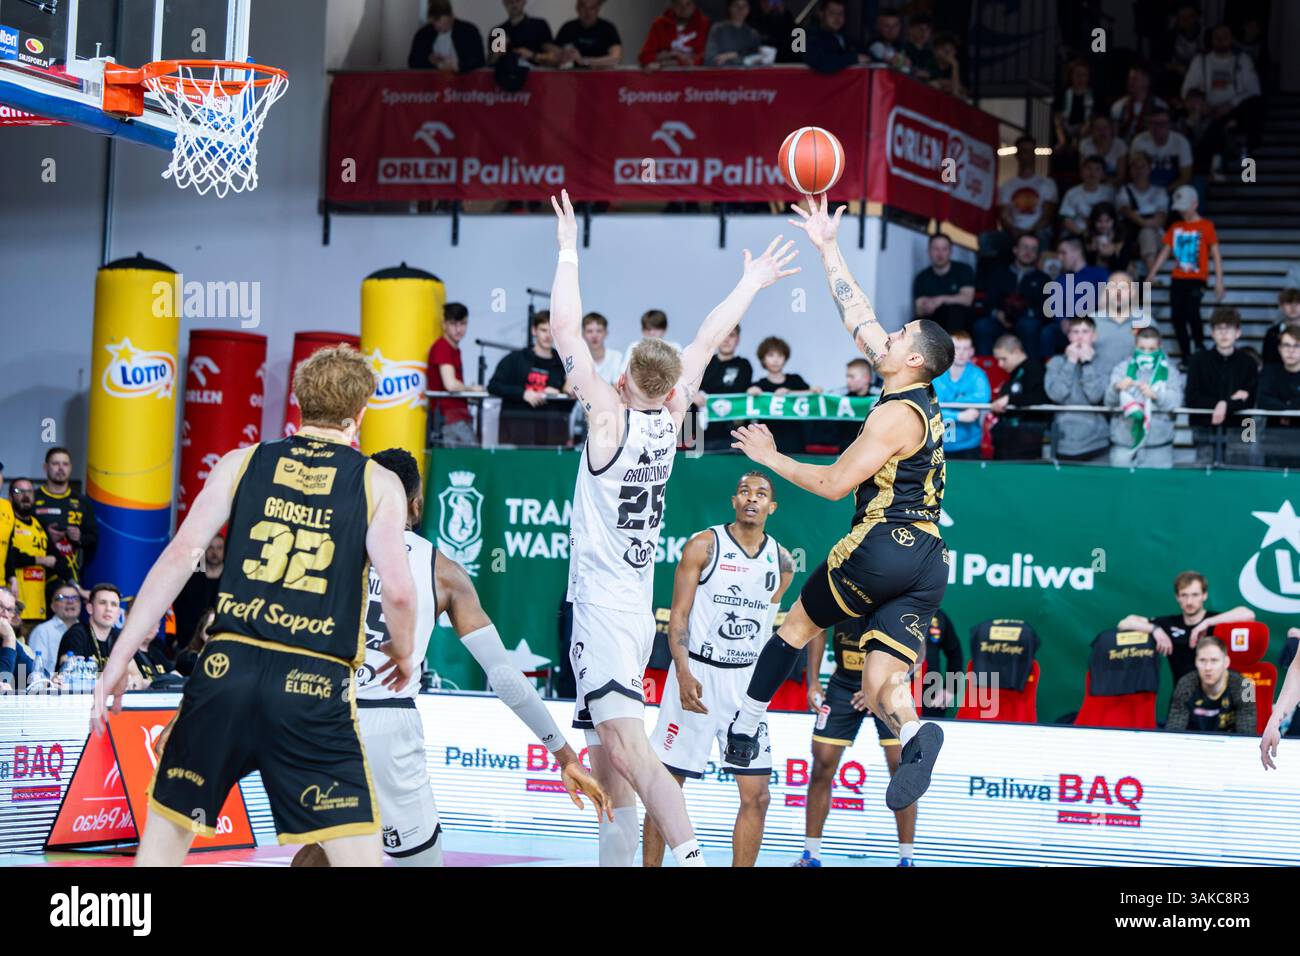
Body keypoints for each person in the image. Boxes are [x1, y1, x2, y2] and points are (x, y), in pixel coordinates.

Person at [91, 344, 419, 867]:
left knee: (163, 847)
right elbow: (399, 592)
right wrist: (403, 654)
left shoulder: (241, 462)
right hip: (312, 686)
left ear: (298, 402)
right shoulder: (377, 482)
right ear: (360, 414)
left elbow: (179, 556)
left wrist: (118, 657)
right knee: (357, 856)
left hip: (225, 672)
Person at [548, 189, 797, 867]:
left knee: (631, 753)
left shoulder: (607, 414)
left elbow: (566, 332)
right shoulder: (672, 408)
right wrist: (750, 281)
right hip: (631, 606)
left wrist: (569, 247)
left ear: (623, 376)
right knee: (607, 760)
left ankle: (688, 856)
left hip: (601, 605)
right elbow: (709, 337)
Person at [726, 194, 954, 814]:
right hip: (929, 562)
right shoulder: (917, 389)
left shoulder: (891, 417)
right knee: (884, 683)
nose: (886, 333)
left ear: (911, 359)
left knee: (795, 626)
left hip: (883, 544)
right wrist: (828, 248)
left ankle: (744, 725)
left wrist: (770, 458)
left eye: (899, 334)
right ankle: (914, 734)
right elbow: (858, 313)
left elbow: (831, 486)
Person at [293, 448, 608, 868]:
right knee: (418, 860)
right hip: (388, 723)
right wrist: (564, 754)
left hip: (319, 716)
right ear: (417, 504)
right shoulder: (443, 571)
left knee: (325, 847)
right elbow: (504, 676)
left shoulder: (320, 551)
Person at [643, 472, 793, 867]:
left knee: (758, 795)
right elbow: (678, 617)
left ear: (771, 507)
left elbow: (765, 628)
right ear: (733, 500)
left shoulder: (783, 561)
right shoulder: (703, 546)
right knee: (665, 789)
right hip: (696, 676)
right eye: (744, 491)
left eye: (761, 494)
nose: (752, 499)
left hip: (744, 686)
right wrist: (682, 672)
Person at [797, 613, 922, 868]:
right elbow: (818, 628)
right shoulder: (847, 587)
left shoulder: (896, 593)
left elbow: (917, 651)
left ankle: (906, 858)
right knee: (822, 763)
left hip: (889, 685)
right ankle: (811, 855)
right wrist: (813, 683)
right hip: (843, 684)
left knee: (902, 767)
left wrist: (874, 689)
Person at [1117, 570, 1255, 687]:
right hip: (1180, 702)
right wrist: (1155, 629)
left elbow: (1248, 614)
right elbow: (1124, 623)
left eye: (1195, 595)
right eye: (1184, 595)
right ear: (1177, 597)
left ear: (1204, 595)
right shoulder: (1168, 623)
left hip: (1218, 704)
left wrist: (1207, 623)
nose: (1189, 602)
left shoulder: (1216, 621)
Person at [1150, 186, 1225, 360]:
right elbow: (1165, 252)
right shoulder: (1176, 227)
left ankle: (1199, 345)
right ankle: (1186, 354)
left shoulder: (1206, 226)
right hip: (1178, 277)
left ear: (1195, 204)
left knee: (1192, 312)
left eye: (1185, 207)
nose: (1182, 211)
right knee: (1177, 316)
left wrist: (1219, 281)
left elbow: (1216, 254)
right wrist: (1152, 273)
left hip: (1197, 278)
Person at [1181, 23, 1263, 170]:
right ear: (1211, 39)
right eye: (1216, 37)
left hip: (1235, 111)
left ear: (1231, 38)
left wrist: (1231, 104)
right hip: (1207, 110)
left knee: (1255, 106)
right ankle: (1212, 165)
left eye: (1225, 36)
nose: (1220, 40)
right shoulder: (1201, 60)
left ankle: (1247, 169)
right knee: (1206, 126)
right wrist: (1200, 103)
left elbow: (1254, 90)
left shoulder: (1243, 60)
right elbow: (1187, 89)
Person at [488, 310, 572, 446]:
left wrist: (563, 393)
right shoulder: (515, 359)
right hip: (516, 434)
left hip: (551, 438)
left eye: (551, 331)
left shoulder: (564, 364)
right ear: (534, 331)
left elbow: (568, 405)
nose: (548, 336)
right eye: (543, 330)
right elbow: (493, 386)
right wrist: (523, 393)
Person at [1184, 308, 1256, 462]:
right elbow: (1192, 398)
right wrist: (1227, 402)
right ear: (1212, 333)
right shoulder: (1197, 361)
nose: (1224, 334)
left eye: (1229, 329)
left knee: (1238, 474)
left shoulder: (1249, 363)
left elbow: (1251, 400)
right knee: (1205, 476)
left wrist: (1225, 404)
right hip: (1204, 427)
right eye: (1219, 329)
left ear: (1238, 333)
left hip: (1241, 427)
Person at [1105, 326, 1184, 468]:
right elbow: (1108, 401)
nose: (1146, 352)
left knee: (1158, 490)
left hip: (1159, 446)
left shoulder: (1170, 372)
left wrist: (1156, 395)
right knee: (1119, 489)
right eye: (1142, 348)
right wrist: (1116, 388)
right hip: (1124, 444)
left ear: (1160, 346)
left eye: (1152, 349)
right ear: (1135, 346)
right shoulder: (1122, 369)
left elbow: (1176, 402)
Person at [33, 447, 98, 598]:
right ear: (45, 467)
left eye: (65, 464)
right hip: (35, 577)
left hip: (70, 579)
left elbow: (93, 540)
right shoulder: (33, 499)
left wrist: (78, 538)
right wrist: (46, 537)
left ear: (70, 468)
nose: (61, 468)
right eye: (55, 463)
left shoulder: (82, 502)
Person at [975, 232, 1050, 358]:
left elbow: (1046, 310)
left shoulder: (1044, 279)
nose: (1028, 252)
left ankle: (1031, 371)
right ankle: (987, 370)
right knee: (982, 326)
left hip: (1026, 322)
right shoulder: (998, 273)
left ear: (1037, 254)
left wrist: (1024, 314)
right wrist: (998, 314)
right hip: (999, 321)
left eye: (1033, 249)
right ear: (1015, 250)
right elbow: (988, 302)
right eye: (1025, 247)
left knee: (1030, 326)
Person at [1045, 316, 1109, 461]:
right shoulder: (1055, 363)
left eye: (1085, 332)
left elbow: (1095, 396)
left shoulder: (1104, 363)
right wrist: (1070, 362)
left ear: (1094, 336)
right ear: (1068, 336)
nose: (1080, 337)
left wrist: (1087, 363)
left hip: (1097, 443)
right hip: (1064, 442)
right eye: (1075, 332)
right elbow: (1056, 395)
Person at [1165, 636, 1256, 735]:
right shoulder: (1185, 684)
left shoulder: (1245, 686)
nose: (1208, 668)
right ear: (1196, 662)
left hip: (1230, 745)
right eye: (1202, 660)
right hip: (1193, 744)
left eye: (1214, 661)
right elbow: (1174, 732)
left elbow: (1246, 733)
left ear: (1226, 662)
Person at [748, 336, 817, 454]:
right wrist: (750, 393)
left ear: (785, 358)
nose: (775, 360)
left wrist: (790, 393)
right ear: (763, 359)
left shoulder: (795, 380)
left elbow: (816, 392)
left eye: (780, 355)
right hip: (768, 443)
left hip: (795, 440)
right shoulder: (759, 385)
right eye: (770, 355)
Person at [1041, 237, 1109, 358]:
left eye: (1063, 253)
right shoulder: (1061, 279)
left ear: (1077, 252)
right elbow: (1054, 306)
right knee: (1049, 332)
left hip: (1094, 323)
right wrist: (1062, 320)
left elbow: (1108, 301)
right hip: (1069, 325)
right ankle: (1049, 371)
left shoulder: (1099, 273)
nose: (1059, 258)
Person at [932, 331, 989, 460]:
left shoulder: (978, 375)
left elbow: (982, 401)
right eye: (957, 348)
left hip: (969, 445)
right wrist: (959, 415)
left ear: (972, 351)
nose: (961, 353)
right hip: (939, 445)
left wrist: (951, 404)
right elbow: (931, 408)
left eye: (966, 348)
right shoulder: (937, 375)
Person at [990, 335, 1048, 460]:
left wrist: (1009, 400)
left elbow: (1041, 398)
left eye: (1003, 359)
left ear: (1016, 352)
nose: (1000, 364)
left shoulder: (1034, 369)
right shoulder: (1015, 372)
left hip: (1026, 441)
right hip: (1012, 438)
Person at [997, 136, 1058, 255]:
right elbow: (1003, 215)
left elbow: (1047, 215)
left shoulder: (1047, 184)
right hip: (1013, 232)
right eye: (1024, 151)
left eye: (1031, 151)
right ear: (1017, 154)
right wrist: (1014, 230)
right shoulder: (1006, 186)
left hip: (1038, 231)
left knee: (1043, 234)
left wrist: (1030, 232)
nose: (1028, 156)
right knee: (987, 239)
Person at [5, 479, 54, 628]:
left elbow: (55, 558)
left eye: (29, 491)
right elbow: (9, 555)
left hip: (38, 608)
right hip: (12, 609)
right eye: (19, 492)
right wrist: (39, 560)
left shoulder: (40, 524)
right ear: (10, 496)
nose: (25, 496)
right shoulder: (6, 523)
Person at [696, 325, 753, 452]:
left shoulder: (743, 365)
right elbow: (687, 388)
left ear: (737, 339)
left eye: (731, 335)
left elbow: (740, 391)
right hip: (701, 431)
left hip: (731, 432)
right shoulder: (703, 363)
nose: (726, 340)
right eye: (723, 336)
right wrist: (693, 395)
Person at [428, 302, 476, 448]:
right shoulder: (442, 346)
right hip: (448, 419)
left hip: (454, 417)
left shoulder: (453, 348)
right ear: (444, 324)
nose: (458, 329)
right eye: (453, 323)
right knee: (466, 463)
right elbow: (450, 384)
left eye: (462, 324)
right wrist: (473, 390)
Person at [1115, 150, 1169, 278]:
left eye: (1142, 166)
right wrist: (1145, 222)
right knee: (1145, 231)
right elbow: (1125, 210)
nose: (1138, 170)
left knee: (1147, 232)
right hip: (1132, 238)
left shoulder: (1159, 191)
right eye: (1134, 166)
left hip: (1156, 238)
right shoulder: (1124, 190)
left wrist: (1146, 223)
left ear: (1150, 168)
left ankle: (1151, 273)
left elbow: (1160, 219)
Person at [170, 534, 224, 654]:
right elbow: (178, 608)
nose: (214, 552)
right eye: (210, 547)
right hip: (187, 643)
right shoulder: (190, 578)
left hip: (220, 644)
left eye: (219, 548)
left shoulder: (230, 581)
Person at [913, 233, 976, 335]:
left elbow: (967, 299)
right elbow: (919, 308)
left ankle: (951, 349)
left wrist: (941, 300)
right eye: (936, 249)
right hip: (933, 319)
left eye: (944, 249)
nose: (940, 253)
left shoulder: (963, 270)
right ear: (929, 251)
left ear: (951, 251)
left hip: (959, 320)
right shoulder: (922, 277)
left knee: (955, 312)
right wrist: (929, 306)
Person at [1257, 323, 1300, 467]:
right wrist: (1289, 410)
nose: (1291, 351)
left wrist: (1283, 410)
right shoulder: (1269, 372)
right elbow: (1262, 399)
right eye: (1286, 345)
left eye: (1296, 346)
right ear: (1279, 349)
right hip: (1274, 442)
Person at [408, 0, 485, 73]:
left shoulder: (469, 31)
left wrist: (459, 66)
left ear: (451, 16)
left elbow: (479, 60)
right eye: (434, 22)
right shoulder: (423, 34)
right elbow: (413, 62)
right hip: (432, 83)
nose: (438, 26)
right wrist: (429, 60)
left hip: (464, 82)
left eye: (442, 22)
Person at [1129, 107, 1193, 192]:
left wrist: (1164, 191)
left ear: (1170, 124)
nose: (1159, 127)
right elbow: (1135, 172)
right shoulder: (1139, 141)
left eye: (1163, 123)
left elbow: (1186, 176)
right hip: (1147, 188)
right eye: (1154, 123)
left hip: (1173, 188)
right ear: (1148, 125)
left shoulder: (1181, 142)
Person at [28, 584, 81, 676]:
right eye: (62, 598)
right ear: (52, 606)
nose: (70, 602)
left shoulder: (86, 631)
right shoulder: (42, 631)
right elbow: (36, 672)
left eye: (75, 598)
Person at [640, 0, 709, 69]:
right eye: (679, 4)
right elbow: (645, 56)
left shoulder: (704, 23)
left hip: (694, 77)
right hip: (666, 77)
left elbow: (704, 58)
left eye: (688, 4)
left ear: (694, 5)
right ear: (672, 5)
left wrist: (668, 61)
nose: (683, 9)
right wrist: (670, 55)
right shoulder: (659, 24)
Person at [805, 0, 869, 74]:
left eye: (841, 14)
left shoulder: (849, 40)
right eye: (832, 13)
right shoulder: (811, 38)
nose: (837, 17)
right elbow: (821, 62)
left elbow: (867, 56)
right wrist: (854, 58)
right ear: (821, 14)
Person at [1058, 156, 1115, 238]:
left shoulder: (1110, 192)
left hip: (1104, 234)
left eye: (1097, 169)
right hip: (1078, 233)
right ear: (1081, 172)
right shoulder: (1072, 193)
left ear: (1103, 174)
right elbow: (1066, 219)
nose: (1092, 173)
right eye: (1089, 168)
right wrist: (1081, 234)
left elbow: (1114, 218)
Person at [555, 0, 622, 69]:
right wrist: (564, 55)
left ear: (598, 9)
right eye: (583, 7)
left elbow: (616, 58)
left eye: (592, 8)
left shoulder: (608, 29)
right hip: (571, 76)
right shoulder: (567, 28)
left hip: (601, 75)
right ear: (577, 8)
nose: (587, 12)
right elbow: (553, 55)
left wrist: (584, 61)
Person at [488, 0, 556, 67]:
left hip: (535, 75)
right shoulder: (498, 31)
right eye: (510, 1)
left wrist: (532, 55)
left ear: (524, 1)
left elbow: (554, 58)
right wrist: (498, 53)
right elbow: (489, 65)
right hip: (506, 75)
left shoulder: (539, 26)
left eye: (517, 1)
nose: (514, 5)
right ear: (504, 3)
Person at [1110, 64, 1166, 142]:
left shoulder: (1159, 105)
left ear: (1146, 81)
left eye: (1135, 79)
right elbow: (1114, 135)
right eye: (1129, 79)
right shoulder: (1119, 106)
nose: (1130, 82)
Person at [705, 0, 761, 67]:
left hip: (747, 76)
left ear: (749, 9)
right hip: (723, 75)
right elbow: (710, 61)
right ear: (730, 8)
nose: (740, 9)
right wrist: (744, 60)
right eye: (736, 5)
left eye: (744, 6)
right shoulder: (718, 30)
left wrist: (732, 55)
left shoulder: (753, 34)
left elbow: (758, 61)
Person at [1085, 202, 1133, 273]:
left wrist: (1112, 255)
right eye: (1099, 221)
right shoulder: (1087, 237)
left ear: (1113, 221)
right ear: (1094, 222)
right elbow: (1086, 268)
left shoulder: (1123, 238)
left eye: (1107, 221)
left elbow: (1122, 267)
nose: (1103, 225)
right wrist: (1093, 251)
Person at [1079, 114, 1127, 184]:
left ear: (1111, 129)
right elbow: (1083, 172)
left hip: (1112, 185)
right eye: (1098, 128)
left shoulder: (1120, 145)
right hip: (1091, 184)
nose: (1102, 131)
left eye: (1105, 127)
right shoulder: (1085, 144)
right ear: (1092, 130)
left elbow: (1121, 176)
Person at [1262, 289, 1300, 367]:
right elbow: (1267, 362)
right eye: (1289, 303)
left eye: (1297, 303)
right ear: (1281, 306)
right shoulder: (1272, 333)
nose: (1293, 307)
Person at [173, 607, 213, 678]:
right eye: (210, 625)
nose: (215, 630)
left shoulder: (234, 658)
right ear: (201, 632)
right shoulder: (187, 660)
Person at [902, 13, 937, 80]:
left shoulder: (931, 53)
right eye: (921, 29)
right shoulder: (903, 48)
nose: (924, 33)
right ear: (911, 29)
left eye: (927, 30)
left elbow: (935, 74)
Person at [930, 31, 964, 98]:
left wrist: (955, 66)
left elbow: (956, 93)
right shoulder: (929, 64)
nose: (948, 53)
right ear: (935, 50)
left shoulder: (956, 66)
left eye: (951, 50)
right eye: (943, 49)